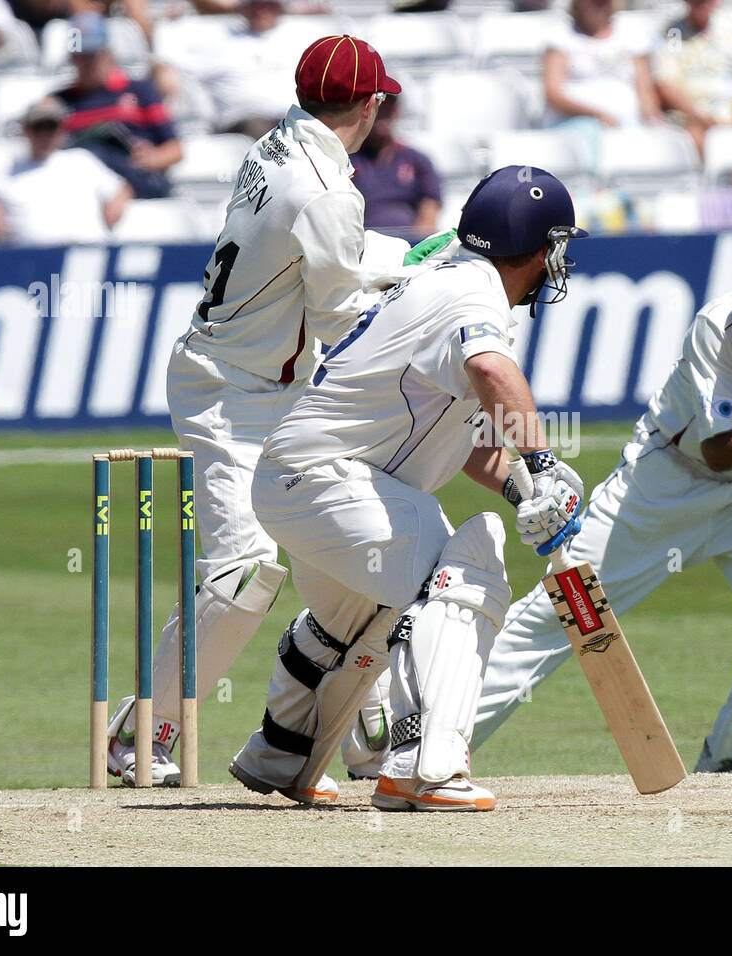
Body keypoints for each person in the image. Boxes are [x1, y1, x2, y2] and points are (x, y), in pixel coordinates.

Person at [104, 34, 436, 793]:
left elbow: (324, 248)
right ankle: (138, 733)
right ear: (372, 103)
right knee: (245, 574)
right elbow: (339, 318)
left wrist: (413, 256)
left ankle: (350, 735)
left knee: (350, 548)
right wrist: (421, 301)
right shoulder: (326, 188)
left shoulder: (278, 142)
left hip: (276, 389)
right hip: (231, 394)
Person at [228, 165, 588, 812]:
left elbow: (479, 452)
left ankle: (282, 751)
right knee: (469, 566)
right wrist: (545, 464)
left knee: (358, 618)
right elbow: (489, 366)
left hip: (300, 481)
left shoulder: (446, 281)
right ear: (539, 250)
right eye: (557, 248)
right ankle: (424, 766)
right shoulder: (473, 298)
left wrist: (525, 492)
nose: (556, 265)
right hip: (328, 480)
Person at [474, 230, 732, 774]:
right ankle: (433, 749)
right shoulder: (721, 327)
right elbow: (718, 452)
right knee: (563, 610)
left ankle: (730, 749)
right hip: (665, 483)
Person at [0, 97, 132, 244]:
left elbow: (122, 187)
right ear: (26, 130)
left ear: (62, 129)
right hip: (32, 263)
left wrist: (118, 200)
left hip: (88, 254)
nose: (45, 134)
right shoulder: (5, 169)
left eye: (51, 127)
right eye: (39, 127)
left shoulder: (81, 160)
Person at [55, 11, 182, 198]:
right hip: (84, 187)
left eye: (91, 55)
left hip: (134, 176)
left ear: (107, 54)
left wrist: (152, 157)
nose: (84, 63)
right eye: (78, 56)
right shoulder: (61, 100)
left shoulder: (141, 90)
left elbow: (175, 149)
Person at [154, 0, 308, 139]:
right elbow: (168, 59)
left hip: (290, 118)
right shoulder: (218, 39)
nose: (261, 11)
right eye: (255, 5)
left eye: (268, 5)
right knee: (267, 133)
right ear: (243, 9)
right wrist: (163, 71)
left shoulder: (298, 38)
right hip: (242, 120)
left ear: (279, 8)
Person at [652, 0, 732, 157]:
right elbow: (666, 84)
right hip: (692, 120)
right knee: (694, 139)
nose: (701, 4)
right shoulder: (673, 34)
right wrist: (702, 119)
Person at [542, 0, 660, 130]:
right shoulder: (561, 34)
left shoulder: (632, 32)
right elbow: (553, 94)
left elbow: (645, 92)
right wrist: (597, 115)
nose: (599, 5)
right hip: (574, 126)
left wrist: (653, 121)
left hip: (629, 127)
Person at [350, 94, 441, 238]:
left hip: (409, 246)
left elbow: (430, 209)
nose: (383, 112)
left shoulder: (418, 160)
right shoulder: (348, 160)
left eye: (388, 106)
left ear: (397, 111)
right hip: (362, 245)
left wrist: (415, 249)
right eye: (377, 106)